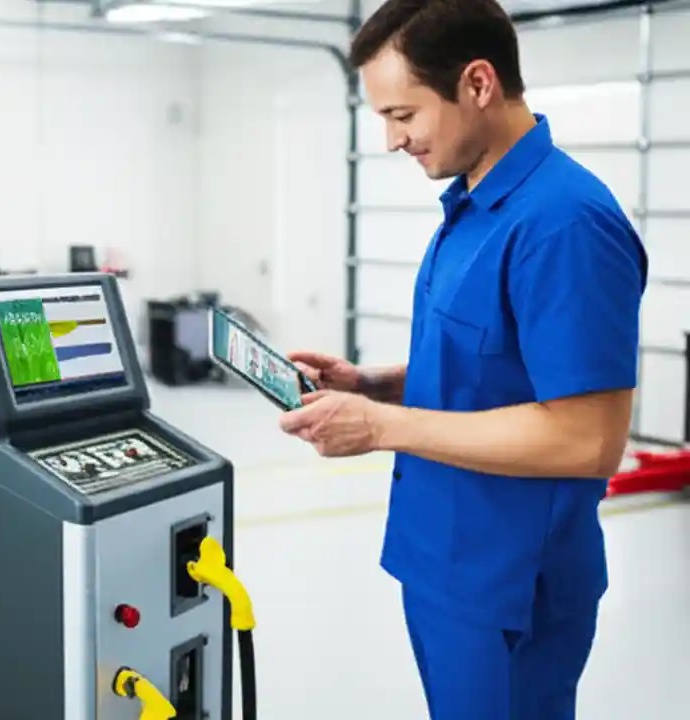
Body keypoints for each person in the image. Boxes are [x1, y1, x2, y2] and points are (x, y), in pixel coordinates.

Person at [278, 1, 648, 719]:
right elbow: (495, 370)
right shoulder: (475, 208)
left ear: (477, 84)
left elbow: (588, 437)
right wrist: (375, 387)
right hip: (448, 566)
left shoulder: (564, 224)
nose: (390, 140)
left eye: (403, 114)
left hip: (510, 589)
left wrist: (380, 429)